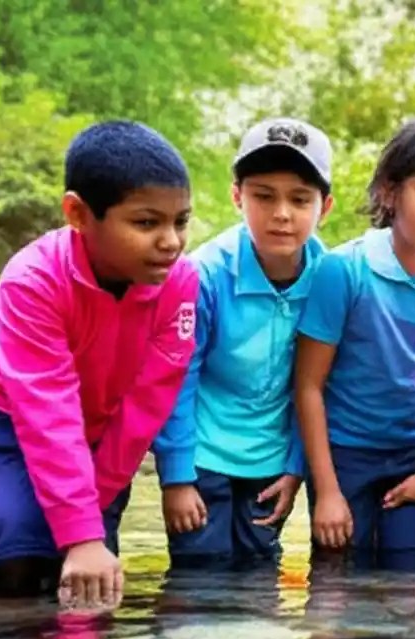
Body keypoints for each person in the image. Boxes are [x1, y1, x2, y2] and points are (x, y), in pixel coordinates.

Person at [0, 121, 196, 606]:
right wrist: (80, 535)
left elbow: (144, 410)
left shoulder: (180, 285)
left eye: (181, 221)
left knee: (89, 583)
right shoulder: (31, 281)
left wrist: (86, 532)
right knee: (13, 560)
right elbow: (45, 410)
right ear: (79, 214)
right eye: (147, 223)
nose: (170, 241)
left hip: (106, 434)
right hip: (5, 418)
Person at [294, 118, 415, 570]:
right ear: (389, 191)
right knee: (336, 577)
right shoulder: (344, 270)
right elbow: (307, 385)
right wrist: (325, 490)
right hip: (344, 453)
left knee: (411, 580)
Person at [152, 118, 334, 567]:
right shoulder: (203, 275)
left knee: (258, 581)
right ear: (238, 196)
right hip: (201, 456)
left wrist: (296, 467)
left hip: (270, 463)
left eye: (299, 199)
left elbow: (316, 384)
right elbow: (177, 376)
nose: (282, 213)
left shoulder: (331, 277)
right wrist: (176, 477)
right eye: (263, 196)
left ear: (324, 207)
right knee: (199, 579)